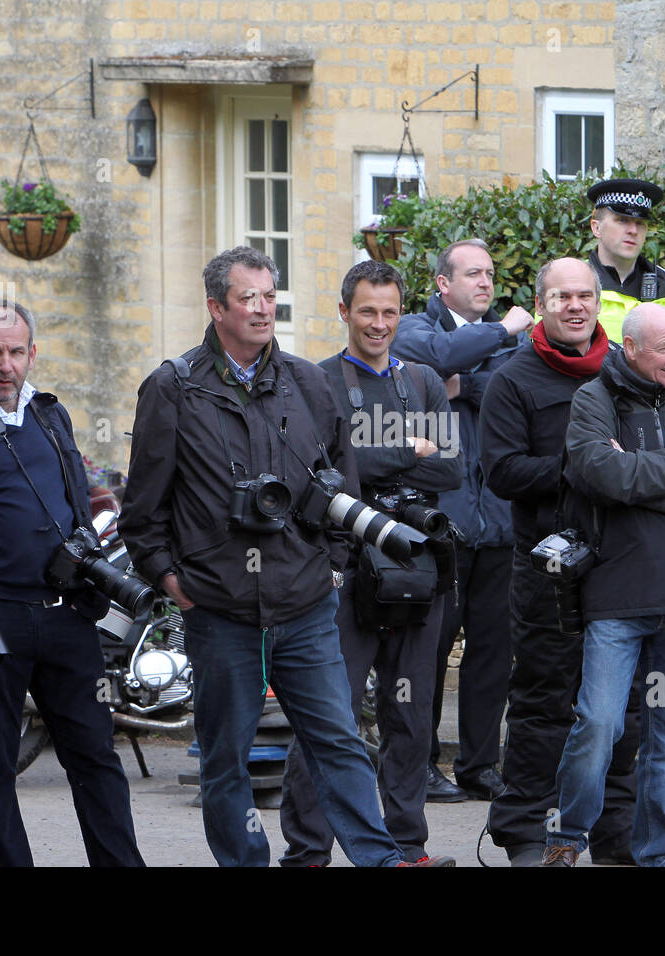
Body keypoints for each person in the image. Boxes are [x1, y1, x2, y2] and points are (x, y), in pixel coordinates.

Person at [121, 246, 451, 866]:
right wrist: (170, 579)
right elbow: (143, 508)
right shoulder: (173, 387)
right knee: (226, 757)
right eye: (248, 298)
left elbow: (341, 486)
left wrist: (330, 562)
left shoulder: (308, 382)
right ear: (216, 307)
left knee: (339, 742)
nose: (262, 309)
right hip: (218, 609)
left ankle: (381, 860)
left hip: (304, 601)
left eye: (269, 296)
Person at [0, 299, 144, 866]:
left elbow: (76, 504)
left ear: (32, 354)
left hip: (65, 614)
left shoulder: (52, 415)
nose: (5, 364)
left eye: (16, 352)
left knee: (95, 757)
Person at [543, 303, 665, 867]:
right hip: (619, 596)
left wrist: (640, 474)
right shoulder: (595, 401)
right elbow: (599, 473)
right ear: (630, 349)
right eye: (664, 349)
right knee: (599, 726)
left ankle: (661, 852)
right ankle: (565, 838)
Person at [278, 260, 463, 866]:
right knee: (329, 719)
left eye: (389, 312)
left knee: (410, 717)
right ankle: (308, 851)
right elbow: (323, 475)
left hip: (416, 569)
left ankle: (407, 847)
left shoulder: (428, 382)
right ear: (343, 312)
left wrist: (366, 459)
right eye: (367, 311)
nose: (379, 324)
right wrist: (407, 449)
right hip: (345, 568)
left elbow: (451, 469)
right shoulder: (315, 382)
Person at [480, 257, 641, 866]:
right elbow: (501, 472)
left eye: (585, 296)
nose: (575, 307)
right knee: (545, 699)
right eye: (561, 297)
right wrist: (581, 468)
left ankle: (614, 837)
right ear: (540, 304)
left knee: (623, 708)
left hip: (623, 563)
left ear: (600, 303)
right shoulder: (513, 380)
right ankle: (523, 832)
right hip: (548, 568)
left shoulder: (627, 373)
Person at [393, 238, 531, 802]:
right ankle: (419, 763)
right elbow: (439, 361)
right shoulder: (411, 330)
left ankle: (479, 766)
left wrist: (465, 387)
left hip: (498, 522)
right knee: (425, 652)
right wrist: (501, 337)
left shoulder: (509, 344)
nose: (486, 282)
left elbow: (513, 389)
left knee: (493, 656)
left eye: (491, 274)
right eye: (473, 273)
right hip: (440, 527)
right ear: (442, 284)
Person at [585, 177, 665, 395]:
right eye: (621, 220)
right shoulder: (569, 289)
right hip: (596, 418)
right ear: (596, 227)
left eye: (640, 223)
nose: (633, 230)